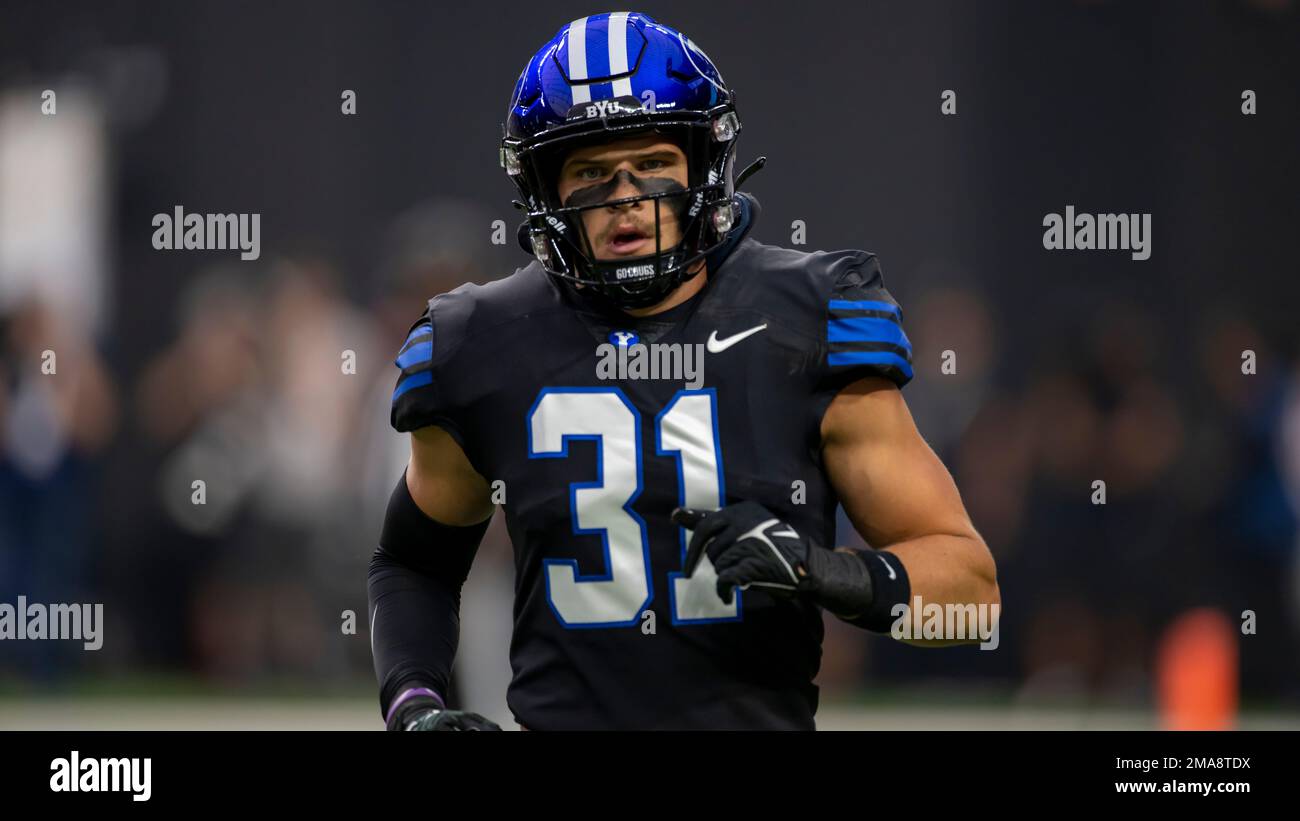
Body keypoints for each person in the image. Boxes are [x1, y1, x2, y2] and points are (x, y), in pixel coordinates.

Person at [368, 11, 999, 730]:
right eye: (591, 173)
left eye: (655, 164)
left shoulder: (808, 321)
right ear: (545, 189)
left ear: (706, 163)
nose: (627, 199)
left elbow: (971, 602)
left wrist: (826, 572)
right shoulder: (481, 342)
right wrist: (414, 704)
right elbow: (412, 563)